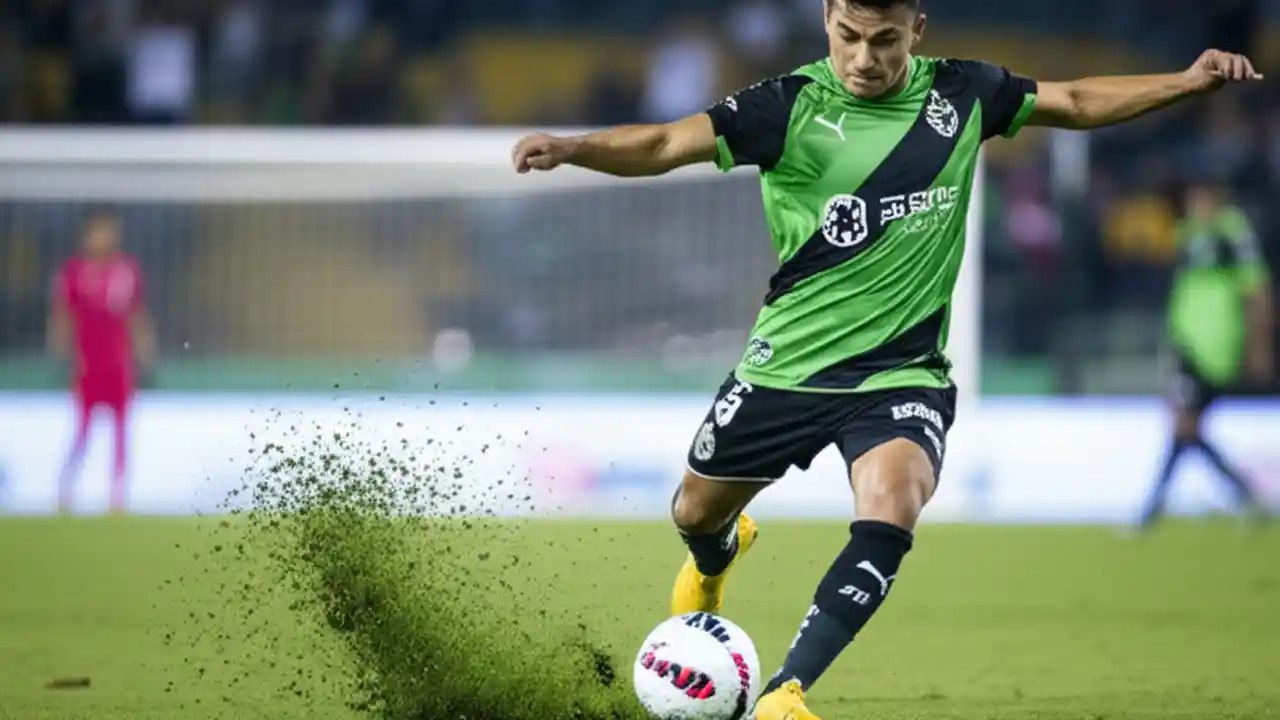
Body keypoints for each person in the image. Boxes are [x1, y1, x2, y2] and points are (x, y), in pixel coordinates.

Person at [511, 0, 1263, 716]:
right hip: (786, 368)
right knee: (694, 511)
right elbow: (665, 144)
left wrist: (1186, 81)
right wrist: (574, 149)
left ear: (917, 30)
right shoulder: (786, 106)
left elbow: (1074, 100)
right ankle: (716, 557)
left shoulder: (965, 94)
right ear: (826, 21)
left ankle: (785, 692)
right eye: (848, 35)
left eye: (885, 40)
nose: (863, 58)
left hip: (902, 374)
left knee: (894, 503)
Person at [1139, 180, 1271, 529]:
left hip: (1215, 344)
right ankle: (1153, 512)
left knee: (1185, 427)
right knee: (1185, 427)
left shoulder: (1234, 235)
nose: (1196, 206)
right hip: (1186, 342)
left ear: (1217, 200)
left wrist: (1259, 346)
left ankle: (1152, 512)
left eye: (1202, 199)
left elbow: (1257, 289)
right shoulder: (1186, 234)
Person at [48, 208, 154, 514]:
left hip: (118, 364)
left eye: (109, 232)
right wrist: (61, 348)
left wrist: (144, 348)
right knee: (83, 431)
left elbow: (136, 313)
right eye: (98, 232)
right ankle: (66, 488)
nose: (104, 238)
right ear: (87, 236)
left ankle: (117, 496)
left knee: (121, 430)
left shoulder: (126, 270)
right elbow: (63, 314)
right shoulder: (73, 272)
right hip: (87, 365)